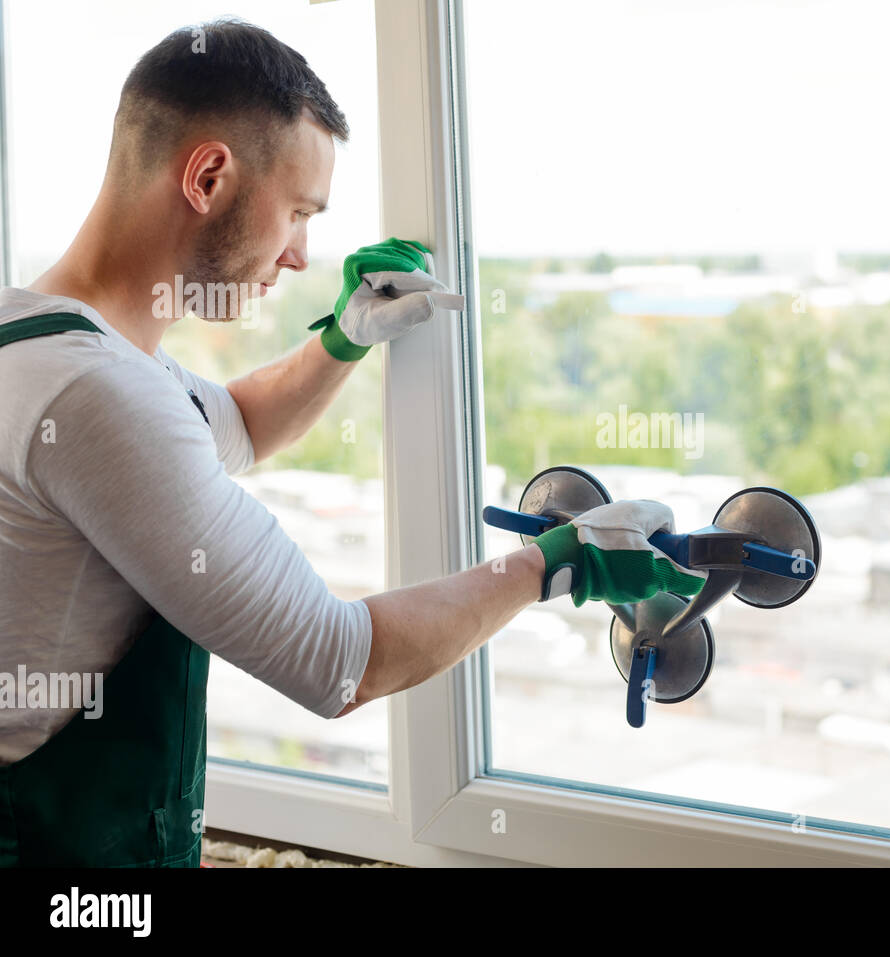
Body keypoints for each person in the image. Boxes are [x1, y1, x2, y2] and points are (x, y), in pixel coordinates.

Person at [0, 19, 703, 867]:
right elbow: (339, 660)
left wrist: (343, 335)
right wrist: (558, 561)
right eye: (297, 211)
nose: (299, 254)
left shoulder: (41, 338)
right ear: (209, 175)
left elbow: (233, 424)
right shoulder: (97, 394)